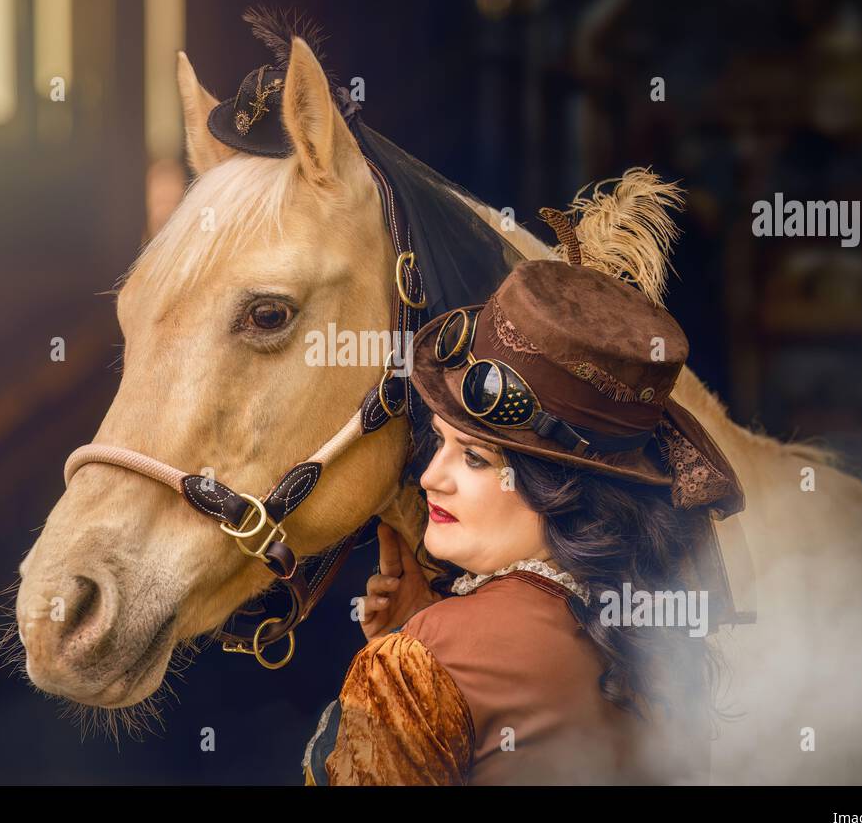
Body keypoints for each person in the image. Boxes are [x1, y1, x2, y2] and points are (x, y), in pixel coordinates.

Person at [302, 175, 749, 785]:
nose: (431, 477)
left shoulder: (421, 664)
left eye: (476, 459)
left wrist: (415, 664)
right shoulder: (650, 642)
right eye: (441, 443)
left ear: (562, 487)